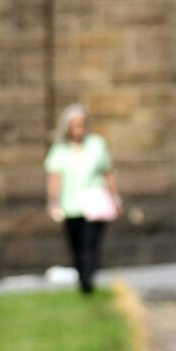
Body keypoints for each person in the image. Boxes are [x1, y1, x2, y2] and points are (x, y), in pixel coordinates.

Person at [43, 103, 119, 294]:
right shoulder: (60, 149)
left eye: (82, 123)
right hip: (71, 205)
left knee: (91, 244)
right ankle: (82, 278)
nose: (79, 128)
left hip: (94, 204)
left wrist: (116, 197)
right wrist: (53, 202)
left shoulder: (97, 144)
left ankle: (88, 279)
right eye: (75, 124)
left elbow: (108, 172)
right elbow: (54, 178)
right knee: (77, 246)